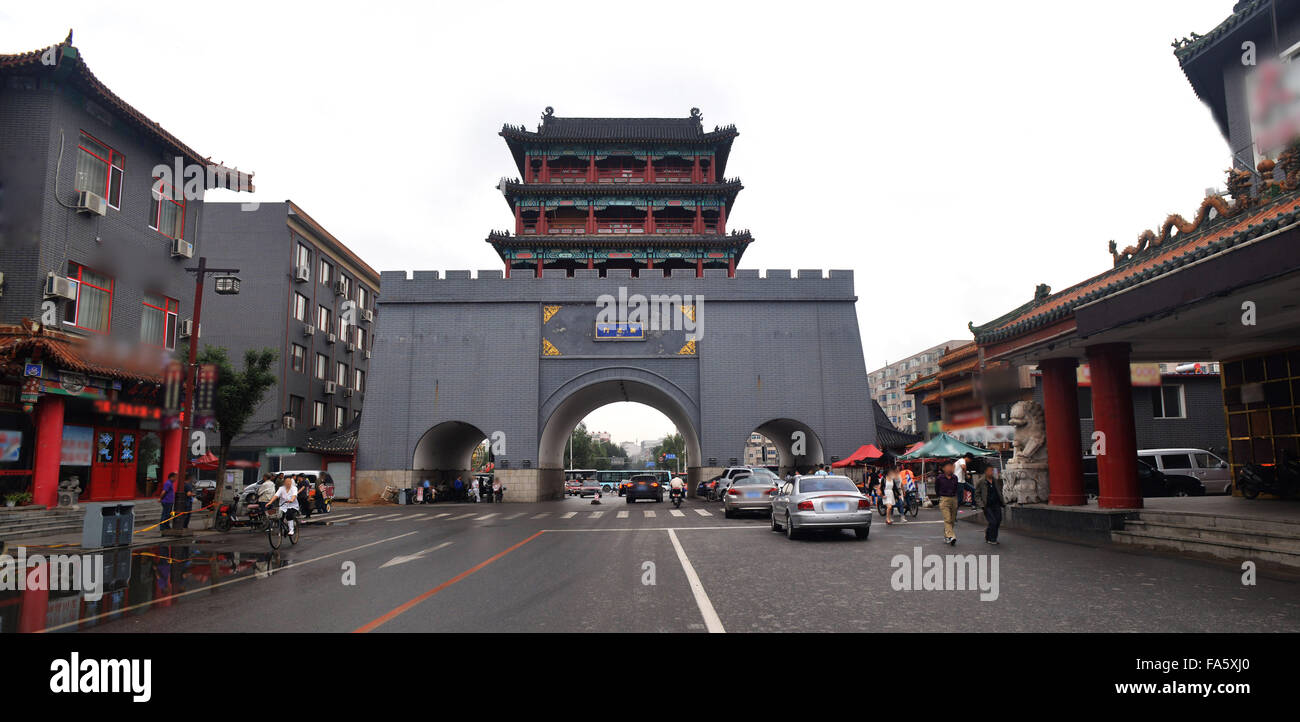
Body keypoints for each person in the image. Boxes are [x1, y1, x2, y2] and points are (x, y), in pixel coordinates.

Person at [975, 466, 1005, 545]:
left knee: (998, 520)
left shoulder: (995, 480)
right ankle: (992, 539)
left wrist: (1002, 501)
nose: (991, 472)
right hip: (987, 505)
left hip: (996, 503)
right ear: (985, 472)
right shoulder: (981, 481)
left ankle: (988, 532)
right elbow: (977, 494)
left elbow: (999, 491)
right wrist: (981, 504)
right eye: (989, 471)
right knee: (993, 522)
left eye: (992, 470)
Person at [935, 460, 960, 545]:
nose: (950, 468)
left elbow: (957, 488)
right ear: (944, 468)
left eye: (951, 466)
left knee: (952, 520)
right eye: (948, 466)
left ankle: (947, 536)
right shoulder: (939, 478)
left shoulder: (955, 477)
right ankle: (951, 536)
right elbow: (937, 489)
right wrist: (940, 497)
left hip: (954, 499)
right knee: (947, 519)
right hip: (944, 499)